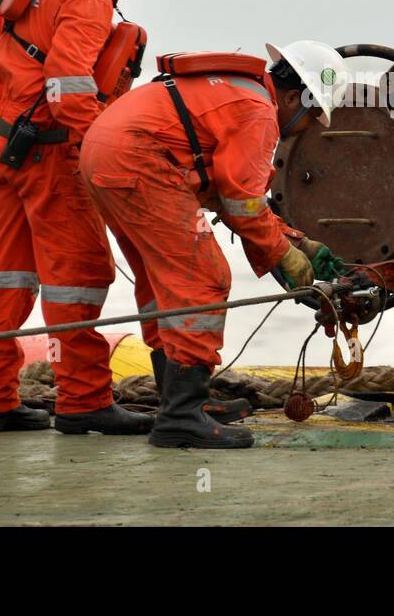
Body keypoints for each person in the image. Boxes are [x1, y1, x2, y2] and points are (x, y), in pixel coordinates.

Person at [0, 0, 176, 434]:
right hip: (47, 151)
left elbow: (3, 56)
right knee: (78, 277)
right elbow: (69, 87)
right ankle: (83, 402)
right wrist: (100, 148)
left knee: (4, 276)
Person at [79, 41, 350, 448]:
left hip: (105, 154)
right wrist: (285, 257)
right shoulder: (260, 113)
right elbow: (242, 204)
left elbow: (233, 195)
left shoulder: (238, 92)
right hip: (138, 161)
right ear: (294, 97)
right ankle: (181, 416)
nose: (309, 127)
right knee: (204, 278)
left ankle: (181, 399)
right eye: (312, 116)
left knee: (163, 283)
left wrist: (296, 242)